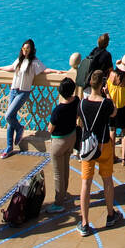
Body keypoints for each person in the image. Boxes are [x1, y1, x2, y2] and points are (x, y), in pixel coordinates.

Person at [75, 70, 120, 236]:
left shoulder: (82, 104)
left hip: (88, 147)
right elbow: (114, 112)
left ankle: (85, 222)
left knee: (86, 184)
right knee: (107, 181)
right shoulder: (105, 103)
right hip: (104, 145)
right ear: (102, 85)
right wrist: (108, 95)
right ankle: (110, 215)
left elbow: (80, 122)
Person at [0, 40, 47, 158]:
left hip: (23, 92)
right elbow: (11, 67)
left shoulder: (34, 62)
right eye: (24, 48)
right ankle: (9, 147)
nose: (25, 50)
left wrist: (58, 71)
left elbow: (44, 70)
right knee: (11, 118)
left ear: (31, 50)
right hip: (13, 91)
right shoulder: (19, 60)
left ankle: (20, 128)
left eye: (28, 49)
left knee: (8, 116)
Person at [46, 77, 79, 213]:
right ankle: (63, 194)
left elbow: (50, 128)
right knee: (65, 166)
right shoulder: (76, 100)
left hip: (59, 142)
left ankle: (59, 202)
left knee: (58, 173)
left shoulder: (58, 110)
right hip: (71, 137)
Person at [106, 56, 125, 166]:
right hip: (123, 107)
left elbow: (107, 88)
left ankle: (112, 156)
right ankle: (124, 158)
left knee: (112, 130)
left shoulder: (111, 75)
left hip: (112, 106)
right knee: (124, 132)